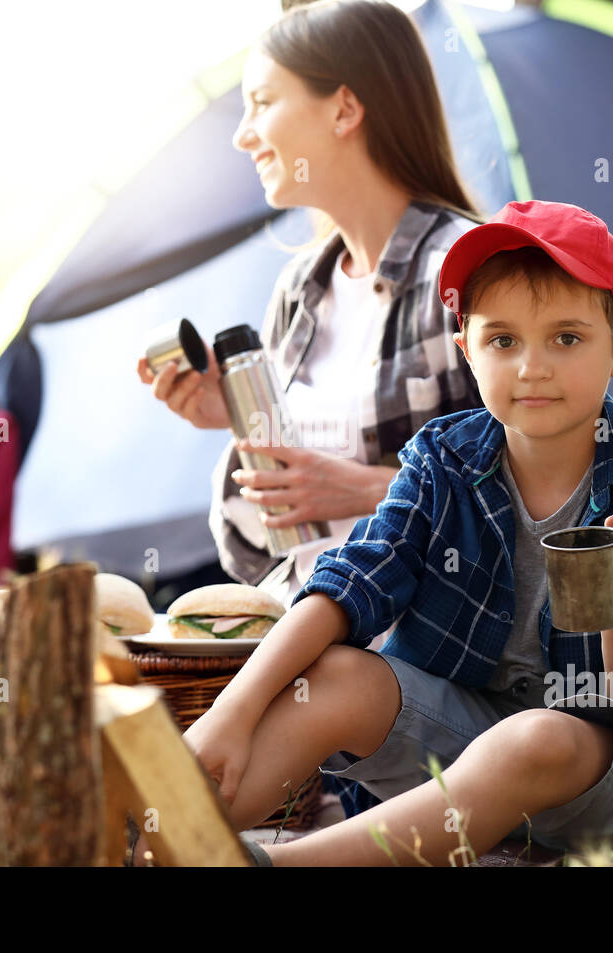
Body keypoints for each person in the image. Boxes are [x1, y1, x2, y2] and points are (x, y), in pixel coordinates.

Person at [172, 199, 613, 865]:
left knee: (535, 741)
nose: (532, 366)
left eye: (566, 337)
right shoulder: (442, 460)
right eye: (503, 340)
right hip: (461, 750)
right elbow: (350, 584)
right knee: (327, 674)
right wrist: (228, 714)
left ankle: (277, 865)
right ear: (467, 349)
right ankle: (162, 834)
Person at [137, 0, 485, 618]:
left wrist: (367, 491)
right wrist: (237, 414)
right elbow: (270, 539)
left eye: (263, 103)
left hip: (419, 646)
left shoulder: (462, 271)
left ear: (345, 108)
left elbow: (537, 497)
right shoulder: (303, 287)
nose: (243, 134)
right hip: (302, 622)